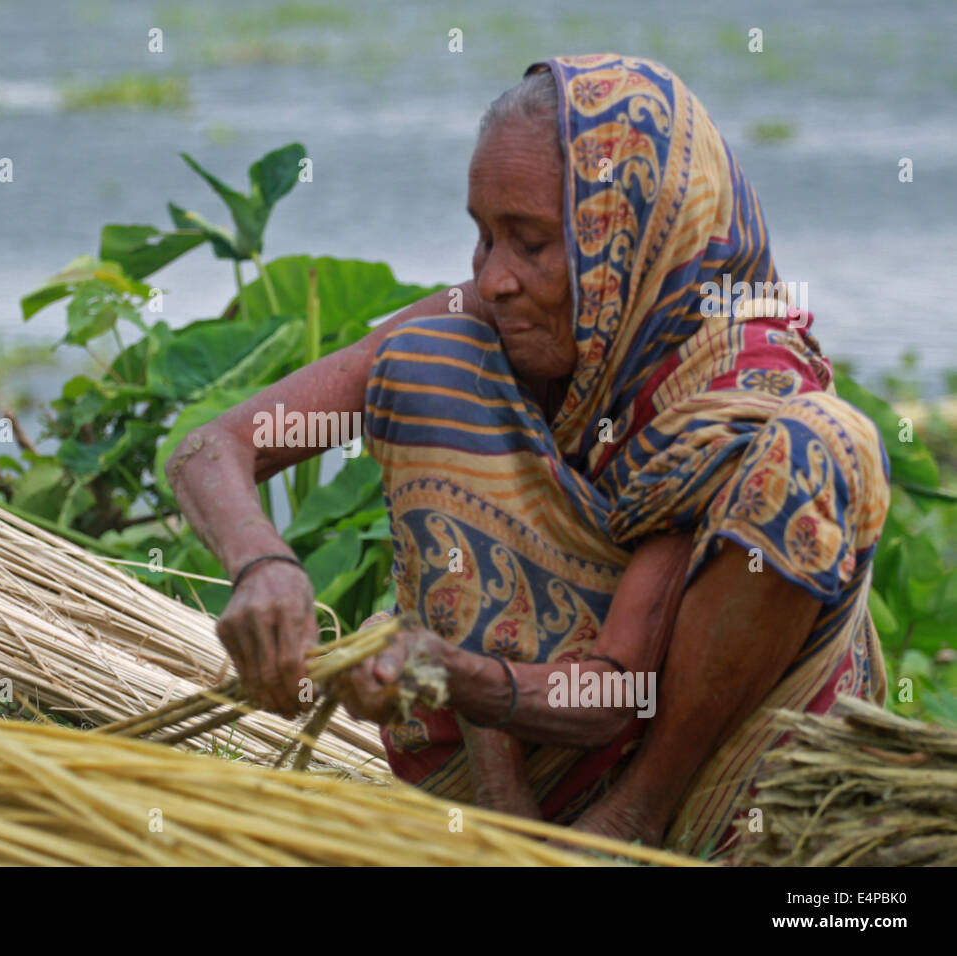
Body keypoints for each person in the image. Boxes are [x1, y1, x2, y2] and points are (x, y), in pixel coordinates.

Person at [165, 54, 890, 857]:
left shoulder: (726, 387)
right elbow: (213, 447)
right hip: (516, 753)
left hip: (718, 774)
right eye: (483, 237)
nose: (493, 276)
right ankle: (508, 829)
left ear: (627, 237)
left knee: (827, 443)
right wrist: (262, 562)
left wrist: (448, 670)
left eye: (533, 243)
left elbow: (620, 689)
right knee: (428, 356)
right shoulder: (498, 314)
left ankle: (630, 821)